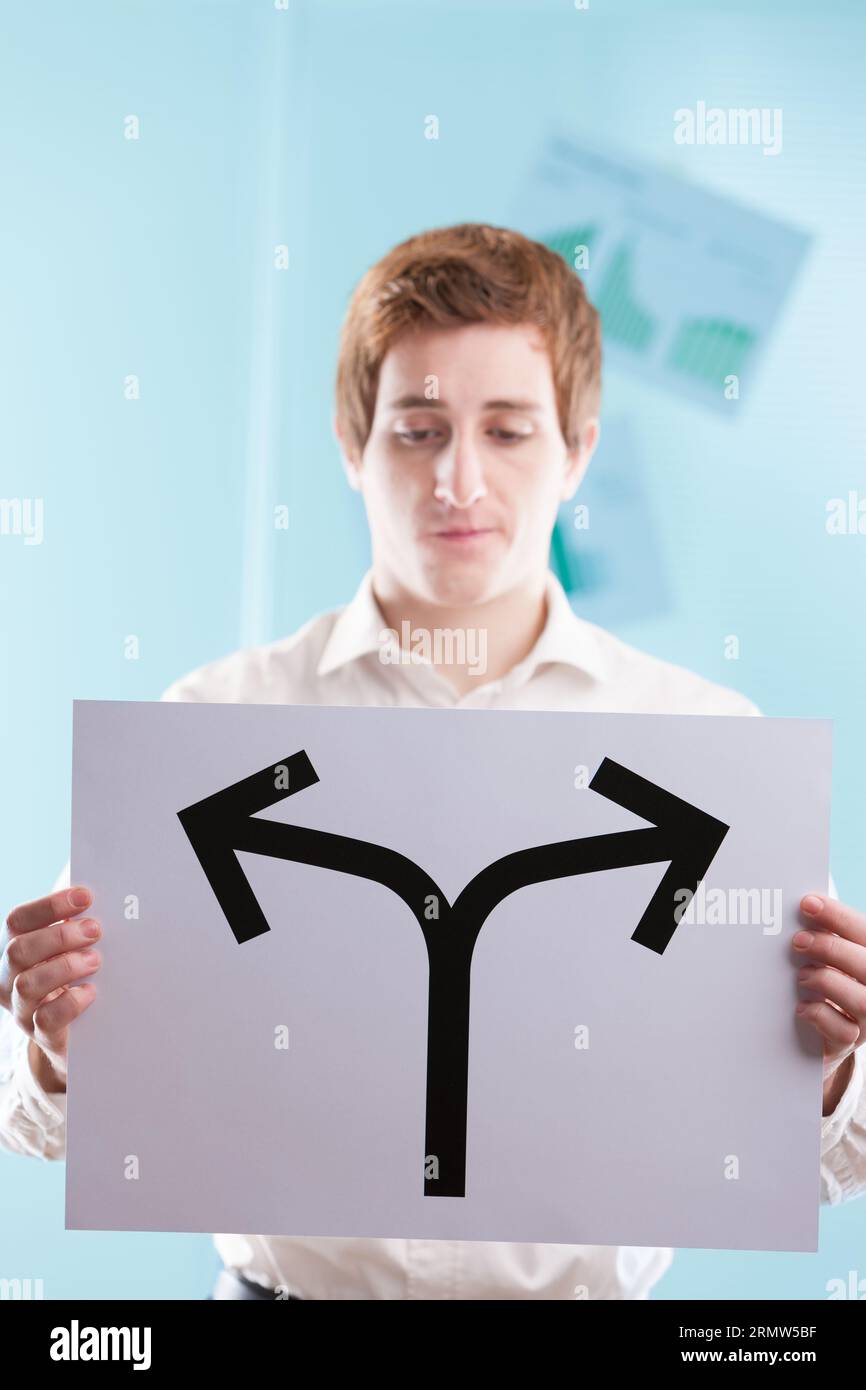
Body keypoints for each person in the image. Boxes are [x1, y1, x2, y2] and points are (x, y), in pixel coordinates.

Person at [2, 224, 865, 1301]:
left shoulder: (709, 747)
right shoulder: (212, 727)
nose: (460, 479)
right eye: (417, 430)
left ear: (577, 450)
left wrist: (830, 1062)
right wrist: (49, 1042)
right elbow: (33, 1121)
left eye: (508, 431)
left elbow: (835, 1161)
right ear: (350, 443)